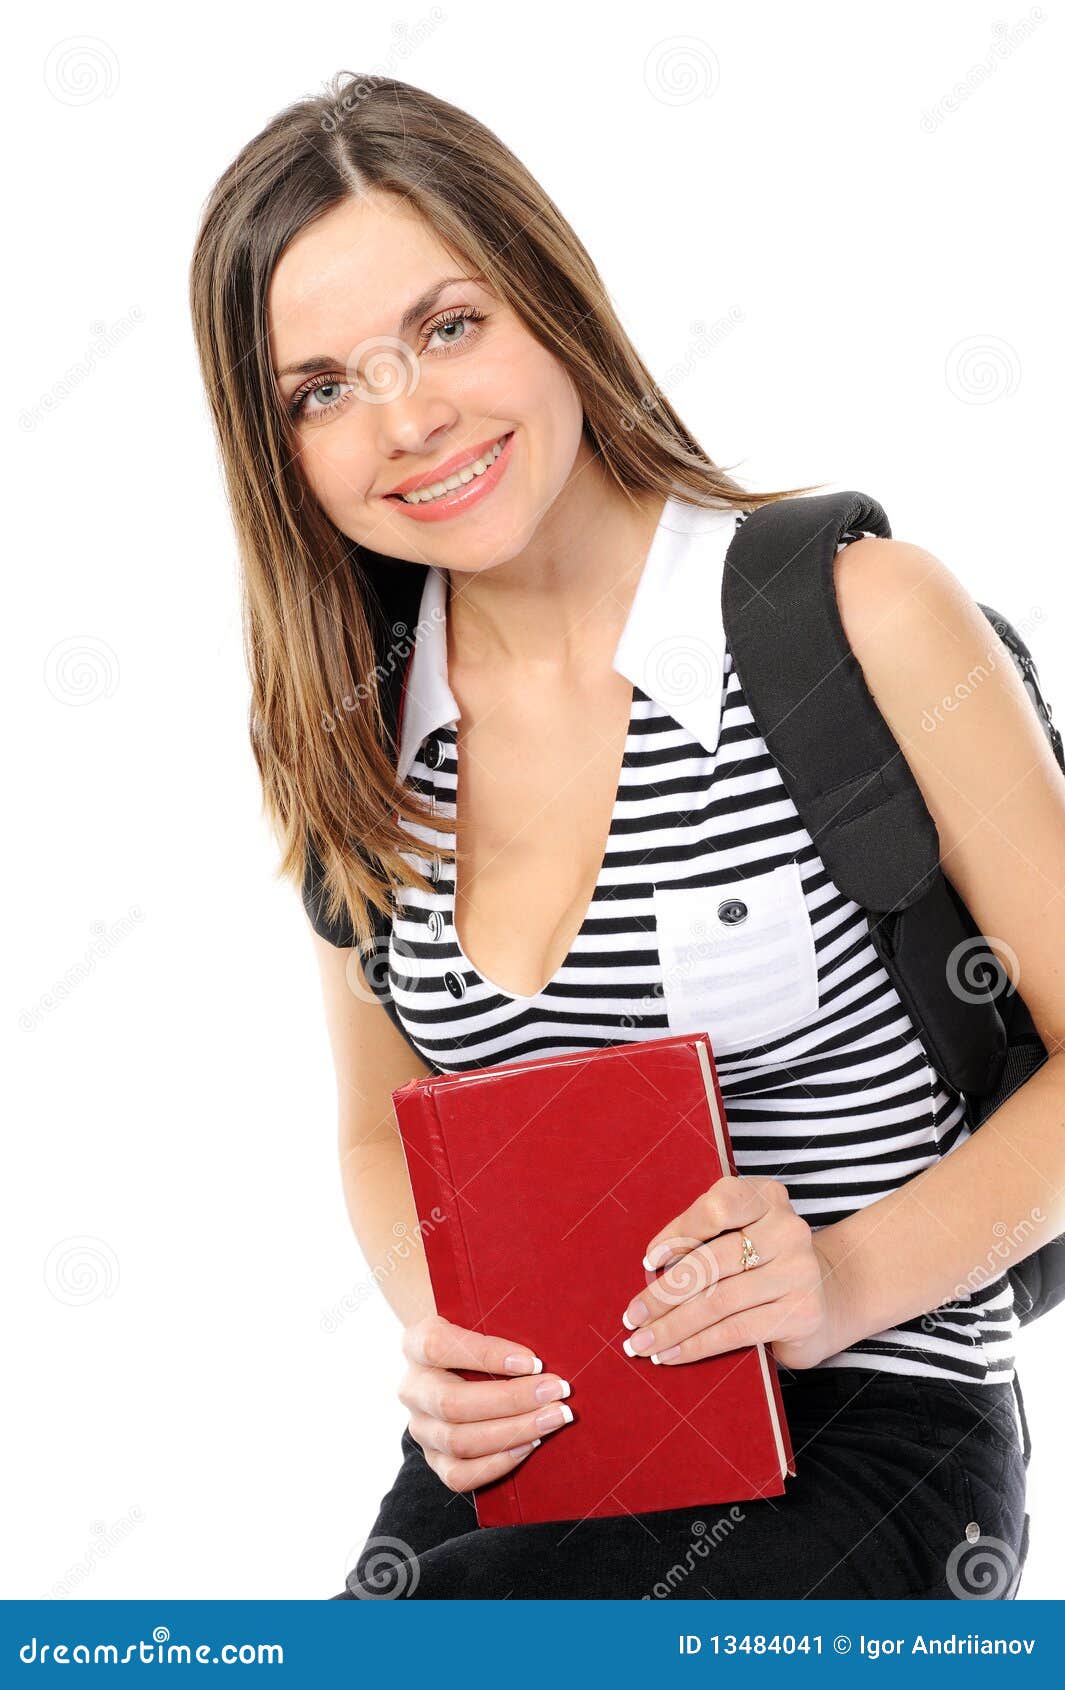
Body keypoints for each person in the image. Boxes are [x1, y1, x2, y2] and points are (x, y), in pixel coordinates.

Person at [188, 71, 1063, 1600]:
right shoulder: (350, 732)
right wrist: (445, 1333)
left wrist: (841, 1275)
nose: (409, 417)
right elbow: (375, 1124)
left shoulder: (858, 618)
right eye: (321, 388)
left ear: (548, 299)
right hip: (545, 1449)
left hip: (873, 1431)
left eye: (447, 325)